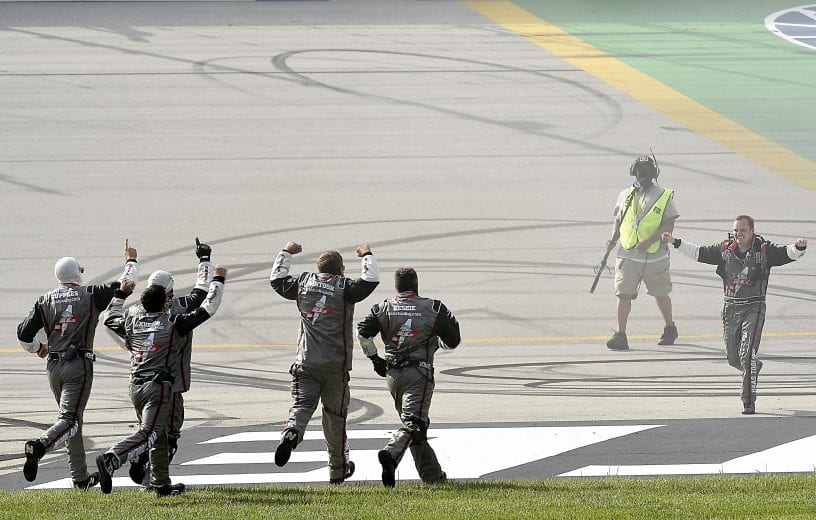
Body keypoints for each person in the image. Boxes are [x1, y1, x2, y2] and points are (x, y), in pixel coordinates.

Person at [97, 264, 227, 496]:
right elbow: (209, 305)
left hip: (135, 386)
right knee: (151, 433)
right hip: (158, 387)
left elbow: (108, 317)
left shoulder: (131, 321)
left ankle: (160, 484)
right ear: (166, 301)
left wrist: (120, 294)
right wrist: (218, 278)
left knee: (161, 436)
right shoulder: (174, 323)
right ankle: (112, 458)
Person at [17, 242, 138, 489]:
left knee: (71, 421)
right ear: (78, 274)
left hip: (54, 368)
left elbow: (22, 333)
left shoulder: (44, 300)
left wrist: (38, 349)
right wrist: (131, 260)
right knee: (69, 421)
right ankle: (39, 446)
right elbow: (126, 285)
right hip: (78, 366)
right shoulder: (92, 294)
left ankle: (80, 479)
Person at [662, 216, 807, 414]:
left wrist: (799, 247)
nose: (738, 234)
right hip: (730, 309)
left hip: (754, 308)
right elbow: (698, 253)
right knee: (733, 358)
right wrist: (674, 241)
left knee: (747, 354)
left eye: (742, 230)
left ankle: (748, 401)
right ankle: (754, 366)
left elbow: (786, 254)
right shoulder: (725, 250)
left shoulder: (764, 250)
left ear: (752, 231)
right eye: (736, 230)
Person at [270, 242, 379, 484]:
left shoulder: (303, 283)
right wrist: (366, 255)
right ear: (340, 270)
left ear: (317, 268)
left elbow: (277, 279)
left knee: (301, 405)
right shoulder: (345, 287)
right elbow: (371, 280)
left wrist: (286, 252)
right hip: (335, 366)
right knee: (335, 418)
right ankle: (337, 471)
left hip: (305, 362)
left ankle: (292, 432)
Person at [357, 267, 460, 487]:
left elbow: (363, 333)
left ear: (396, 286)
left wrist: (376, 360)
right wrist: (436, 343)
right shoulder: (433, 307)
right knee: (415, 424)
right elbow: (453, 339)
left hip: (393, 375)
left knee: (413, 427)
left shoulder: (382, 307)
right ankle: (391, 453)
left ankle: (433, 477)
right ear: (416, 284)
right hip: (419, 373)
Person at [127, 238, 214, 487]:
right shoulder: (178, 307)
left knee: (149, 425)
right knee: (171, 432)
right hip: (171, 383)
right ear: (170, 291)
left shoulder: (134, 312)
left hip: (140, 380)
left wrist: (131, 261)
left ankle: (144, 457)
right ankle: (153, 472)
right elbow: (202, 290)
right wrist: (204, 258)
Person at [605, 154, 680, 350]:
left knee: (660, 294)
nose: (642, 175)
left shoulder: (664, 196)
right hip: (628, 254)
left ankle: (669, 327)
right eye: (639, 171)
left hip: (655, 255)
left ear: (654, 173)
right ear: (633, 173)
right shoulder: (625, 194)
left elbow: (669, 223)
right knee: (623, 294)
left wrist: (651, 240)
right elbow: (618, 219)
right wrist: (613, 238)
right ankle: (620, 334)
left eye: (646, 171)